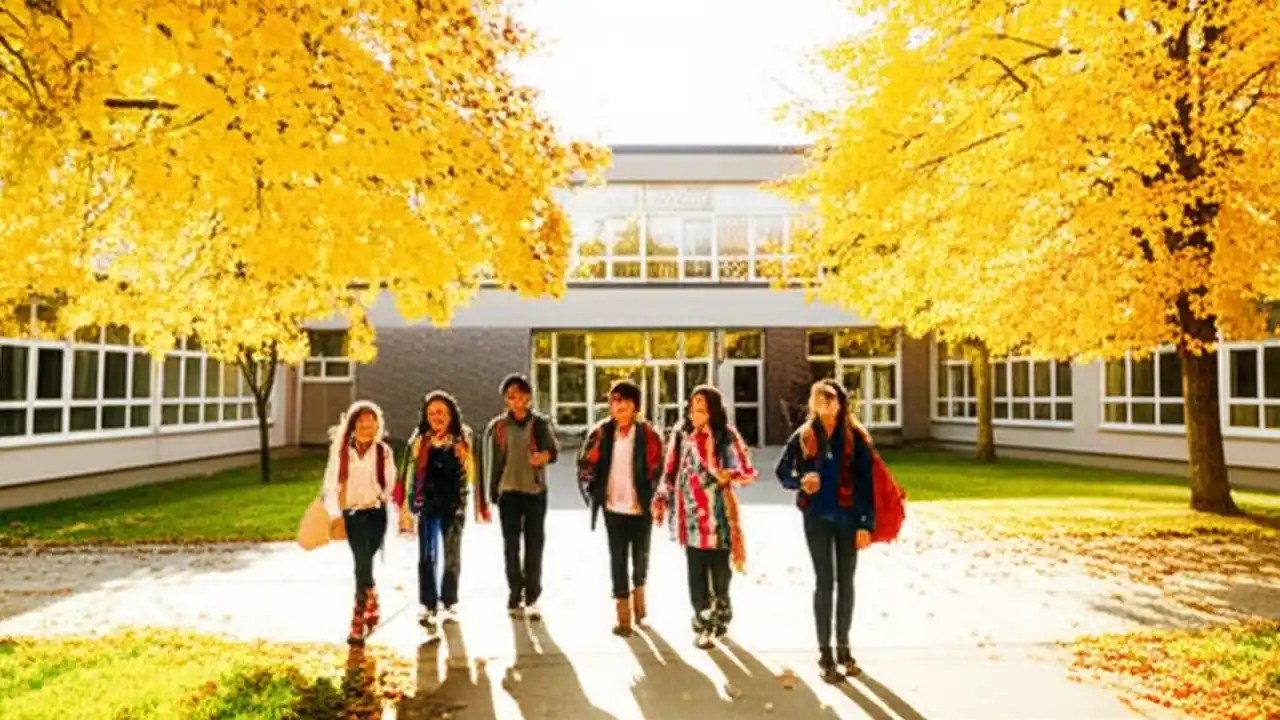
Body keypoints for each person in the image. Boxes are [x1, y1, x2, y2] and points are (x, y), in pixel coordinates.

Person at [774, 379, 876, 680]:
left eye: (830, 398)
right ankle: (825, 655)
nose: (825, 403)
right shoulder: (805, 436)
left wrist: (865, 524)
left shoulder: (855, 438)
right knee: (825, 582)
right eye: (819, 398)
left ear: (841, 403)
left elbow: (867, 484)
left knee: (846, 582)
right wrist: (800, 481)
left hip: (848, 518)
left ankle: (844, 648)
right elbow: (782, 471)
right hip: (817, 516)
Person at [653, 385, 757, 649]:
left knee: (720, 572)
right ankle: (702, 617)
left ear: (712, 412)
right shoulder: (682, 435)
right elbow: (670, 470)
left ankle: (721, 610)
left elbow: (745, 470)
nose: (694, 415)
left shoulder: (725, 437)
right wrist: (662, 497)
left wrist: (727, 475)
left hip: (719, 516)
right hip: (690, 517)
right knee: (696, 571)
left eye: (701, 410)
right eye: (692, 409)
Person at [576, 378, 666, 637]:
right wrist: (595, 489)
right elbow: (585, 463)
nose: (618, 408)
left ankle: (641, 608)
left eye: (624, 402)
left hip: (640, 507)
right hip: (613, 506)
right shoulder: (602, 432)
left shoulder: (649, 435)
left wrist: (655, 498)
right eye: (614, 402)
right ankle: (623, 616)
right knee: (617, 559)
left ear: (635, 406)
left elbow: (659, 470)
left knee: (640, 557)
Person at [394, 391, 486, 629]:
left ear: (451, 414)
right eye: (432, 412)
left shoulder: (462, 437)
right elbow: (409, 474)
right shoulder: (420, 440)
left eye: (442, 412)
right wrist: (406, 506)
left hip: (454, 504)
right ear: (426, 415)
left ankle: (449, 600)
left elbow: (474, 474)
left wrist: (479, 503)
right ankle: (428, 602)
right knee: (427, 555)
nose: (437, 417)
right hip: (428, 504)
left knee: (451, 554)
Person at [477, 373, 559, 619]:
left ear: (529, 398)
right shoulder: (499, 427)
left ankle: (532, 595)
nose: (517, 401)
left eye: (521, 396)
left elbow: (553, 452)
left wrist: (543, 457)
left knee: (534, 545)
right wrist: (491, 494)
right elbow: (493, 462)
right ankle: (515, 591)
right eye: (511, 397)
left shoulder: (540, 424)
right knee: (511, 545)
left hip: (534, 492)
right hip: (509, 492)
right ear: (506, 400)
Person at [321, 400, 396, 645]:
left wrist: (382, 501)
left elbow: (390, 484)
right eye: (361, 422)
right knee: (361, 564)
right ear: (353, 425)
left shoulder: (383, 451)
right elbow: (331, 486)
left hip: (375, 515)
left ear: (377, 426)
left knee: (366, 561)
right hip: (352, 516)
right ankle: (359, 618)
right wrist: (335, 515)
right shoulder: (342, 452)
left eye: (371, 422)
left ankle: (370, 597)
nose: (366, 426)